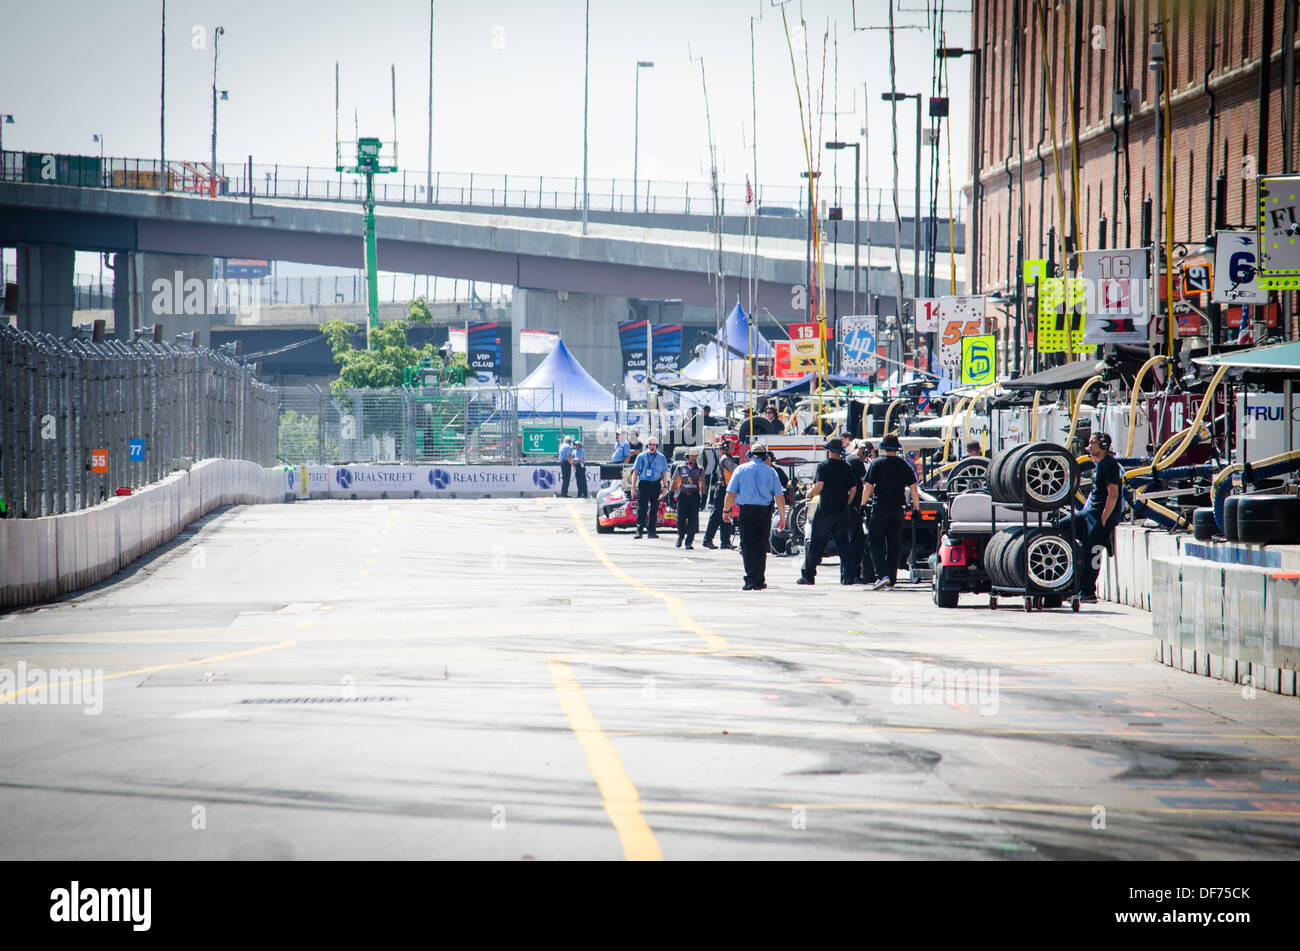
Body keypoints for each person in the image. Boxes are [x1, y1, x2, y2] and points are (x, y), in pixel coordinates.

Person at [723, 442, 787, 590]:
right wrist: (783, 518)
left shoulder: (740, 469)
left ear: (749, 455)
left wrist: (726, 511)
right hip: (764, 513)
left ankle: (751, 578)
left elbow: (730, 493)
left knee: (747, 545)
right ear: (765, 456)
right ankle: (759, 579)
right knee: (761, 545)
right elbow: (779, 496)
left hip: (746, 512)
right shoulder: (771, 472)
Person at [1070, 432, 1124, 604]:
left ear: (1103, 445)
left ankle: (1087, 592)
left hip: (1100, 517)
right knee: (1063, 527)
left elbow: (1113, 494)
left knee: (1092, 552)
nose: (1089, 446)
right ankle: (1071, 585)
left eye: (1092, 443)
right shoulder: (1099, 465)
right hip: (1089, 514)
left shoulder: (1109, 465)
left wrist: (1104, 519)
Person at [862, 432, 921, 590]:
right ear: (898, 447)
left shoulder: (877, 463)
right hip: (898, 511)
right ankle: (891, 580)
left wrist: (862, 505)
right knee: (894, 544)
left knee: (874, 541)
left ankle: (882, 575)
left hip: (881, 508)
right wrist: (916, 508)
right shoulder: (904, 465)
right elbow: (914, 488)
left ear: (882, 446)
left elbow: (869, 487)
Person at [798, 438, 858, 585]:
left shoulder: (823, 466)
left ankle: (808, 576)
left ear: (829, 450)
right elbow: (854, 489)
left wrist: (809, 493)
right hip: (841, 511)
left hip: (825, 511)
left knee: (817, 545)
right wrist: (846, 503)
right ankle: (849, 577)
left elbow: (819, 487)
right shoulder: (847, 466)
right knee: (844, 545)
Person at [846, 439, 872, 583]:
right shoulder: (856, 460)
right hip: (853, 505)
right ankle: (854, 574)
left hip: (850, 505)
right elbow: (866, 481)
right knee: (857, 541)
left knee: (853, 540)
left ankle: (851, 574)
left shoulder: (850, 458)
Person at [632, 437, 669, 539]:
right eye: (650, 444)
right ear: (647, 445)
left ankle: (651, 531)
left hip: (655, 484)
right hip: (644, 484)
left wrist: (665, 486)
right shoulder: (641, 456)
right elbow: (635, 473)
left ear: (656, 446)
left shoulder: (661, 457)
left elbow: (664, 473)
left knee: (654, 508)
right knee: (642, 508)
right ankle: (639, 531)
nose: (651, 446)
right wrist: (633, 488)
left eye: (653, 444)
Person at [670, 449, 707, 549]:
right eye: (691, 456)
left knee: (693, 520)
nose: (693, 458)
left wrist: (704, 499)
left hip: (694, 496)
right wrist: (671, 496)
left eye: (695, 456)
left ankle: (689, 542)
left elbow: (703, 484)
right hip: (682, 496)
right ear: (687, 456)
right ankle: (680, 536)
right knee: (680, 519)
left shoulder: (700, 469)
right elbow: (673, 482)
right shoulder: (680, 468)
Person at [702, 450, 739, 549]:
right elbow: (734, 469)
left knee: (726, 516)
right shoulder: (726, 459)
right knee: (717, 516)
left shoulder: (728, 458)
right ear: (726, 448)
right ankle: (707, 540)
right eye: (731, 445)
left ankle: (725, 542)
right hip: (722, 490)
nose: (733, 447)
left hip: (726, 490)